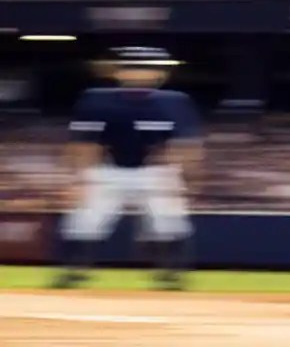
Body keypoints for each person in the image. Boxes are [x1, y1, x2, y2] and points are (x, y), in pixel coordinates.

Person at [52, 46, 202, 291]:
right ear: (119, 72)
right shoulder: (97, 99)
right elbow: (84, 143)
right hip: (108, 169)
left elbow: (186, 144)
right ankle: (73, 271)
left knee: (168, 220)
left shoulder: (175, 102)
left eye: (147, 68)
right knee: (84, 219)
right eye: (132, 67)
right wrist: (79, 179)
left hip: (156, 169)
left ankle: (171, 274)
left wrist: (182, 178)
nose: (139, 73)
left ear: (160, 73)